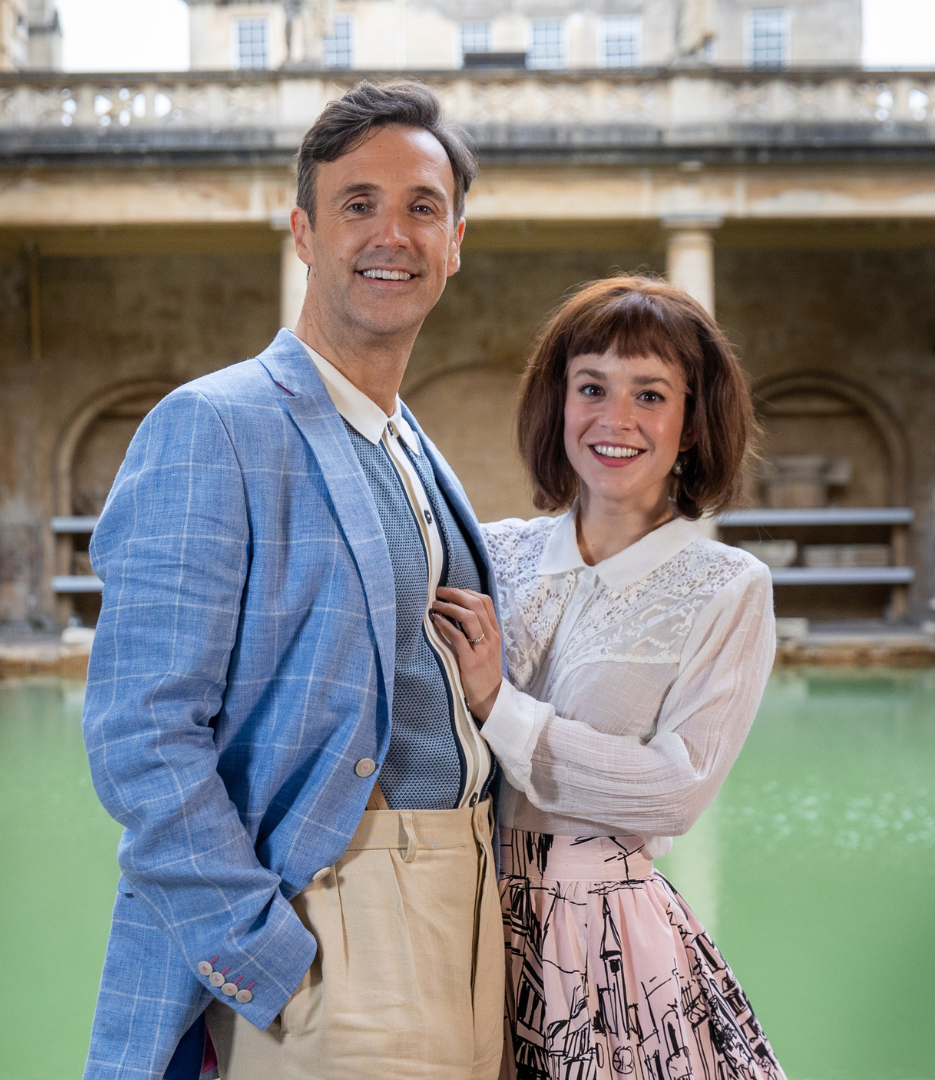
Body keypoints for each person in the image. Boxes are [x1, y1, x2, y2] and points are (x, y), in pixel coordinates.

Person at [81, 81, 504, 1080]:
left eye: (422, 207)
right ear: (304, 233)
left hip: (470, 910)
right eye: (358, 203)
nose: (392, 233)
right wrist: (265, 954)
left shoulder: (407, 441)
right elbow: (140, 732)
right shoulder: (213, 425)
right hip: (331, 922)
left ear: (454, 243)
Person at [430, 277, 787, 1080]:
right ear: (558, 405)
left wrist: (497, 705)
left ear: (693, 422)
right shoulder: (491, 551)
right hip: (458, 918)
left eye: (649, 395)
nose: (614, 419)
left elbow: (673, 791)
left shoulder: (729, 586)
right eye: (591, 388)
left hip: (601, 947)